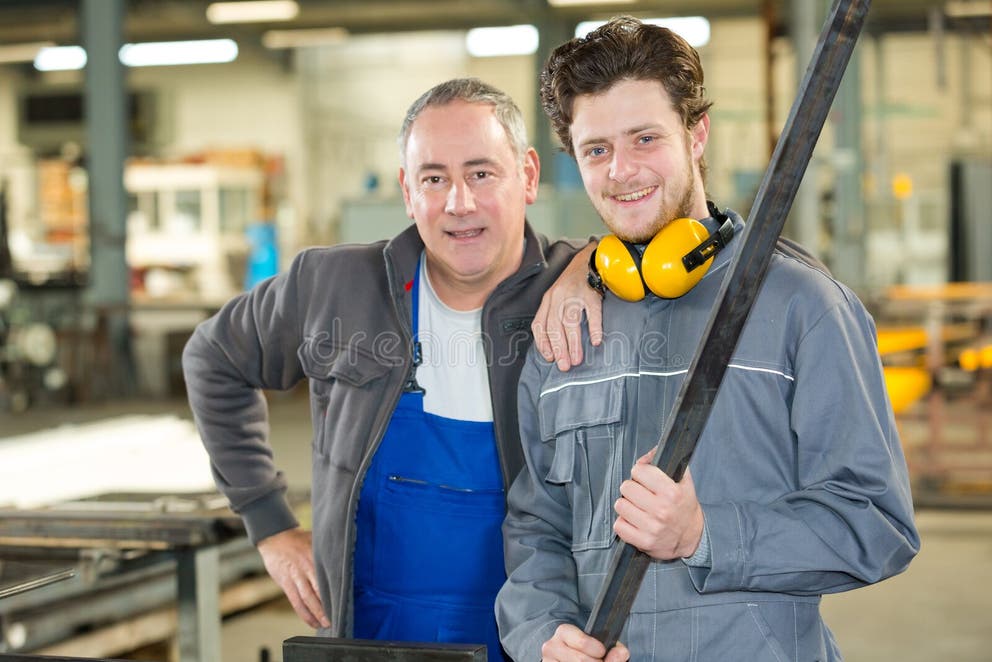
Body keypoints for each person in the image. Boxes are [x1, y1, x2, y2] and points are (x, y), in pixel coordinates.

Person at [495, 17, 920, 662]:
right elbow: (536, 529)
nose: (622, 170)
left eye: (645, 138)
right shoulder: (566, 326)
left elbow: (877, 523)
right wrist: (543, 634)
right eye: (596, 150)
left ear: (697, 134)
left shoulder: (801, 307)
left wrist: (705, 535)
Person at [182, 78, 598, 661]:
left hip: (537, 643)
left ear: (528, 175)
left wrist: (594, 262)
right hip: (367, 642)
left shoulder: (581, 290)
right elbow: (212, 359)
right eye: (434, 179)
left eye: (481, 173)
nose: (459, 203)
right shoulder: (333, 286)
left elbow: (694, 245)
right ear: (407, 191)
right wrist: (268, 523)